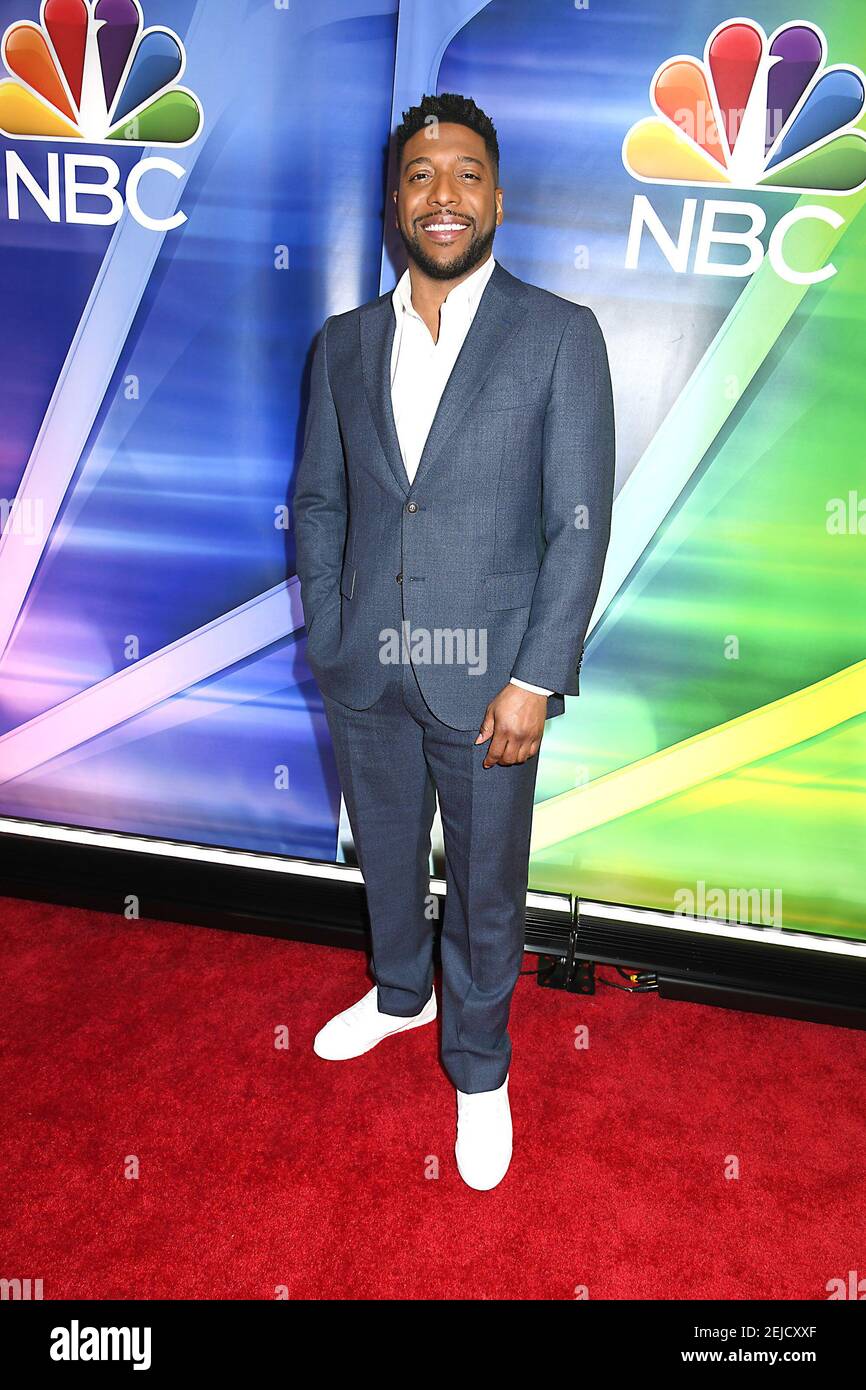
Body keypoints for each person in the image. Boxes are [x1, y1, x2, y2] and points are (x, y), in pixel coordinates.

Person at [294, 92, 615, 1190]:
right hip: (364, 666)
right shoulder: (341, 344)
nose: (444, 196)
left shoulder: (558, 335)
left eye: (466, 174)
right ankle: (396, 993)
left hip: (490, 681)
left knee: (484, 882)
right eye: (422, 175)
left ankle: (479, 1068)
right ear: (395, 201)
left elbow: (577, 523)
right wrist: (330, 630)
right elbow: (323, 501)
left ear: (497, 197)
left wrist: (535, 674)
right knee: (387, 855)